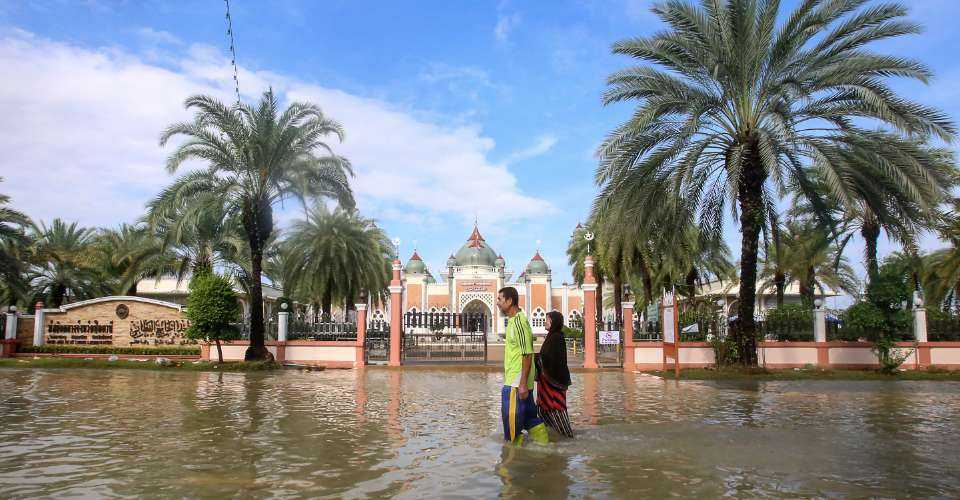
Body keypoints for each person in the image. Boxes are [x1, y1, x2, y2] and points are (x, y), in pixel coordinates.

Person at [496, 286, 549, 445]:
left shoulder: (519, 321)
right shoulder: (513, 321)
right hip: (519, 381)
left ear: (510, 301)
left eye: (500, 299)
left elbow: (527, 353)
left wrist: (522, 384)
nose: (497, 303)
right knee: (529, 418)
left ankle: (510, 461)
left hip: (516, 382)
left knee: (511, 423)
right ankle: (545, 447)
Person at [535, 311, 574, 438]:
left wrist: (535, 359)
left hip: (553, 387)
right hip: (547, 387)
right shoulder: (552, 337)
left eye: (547, 320)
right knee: (544, 412)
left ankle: (568, 440)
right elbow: (546, 357)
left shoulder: (556, 338)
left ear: (554, 322)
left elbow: (551, 360)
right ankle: (551, 439)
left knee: (557, 411)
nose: (545, 322)